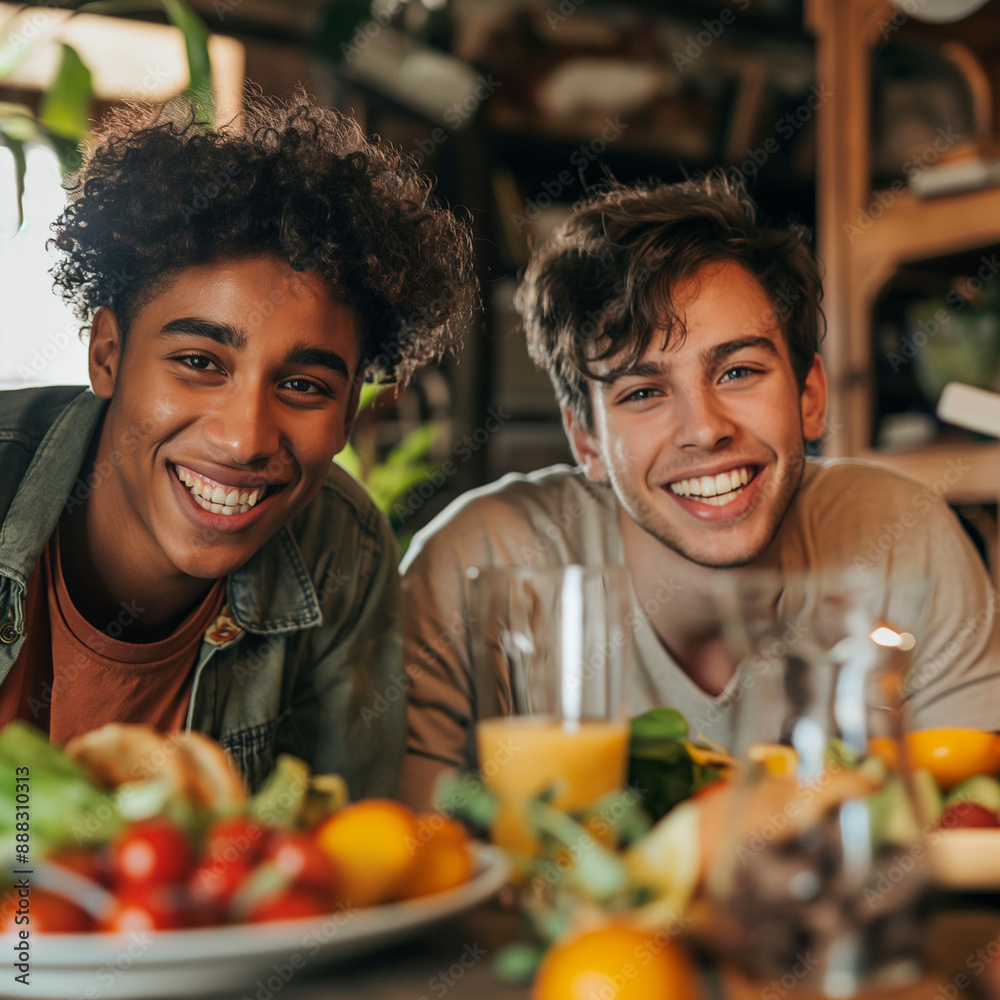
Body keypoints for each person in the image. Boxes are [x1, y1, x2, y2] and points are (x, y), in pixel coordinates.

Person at [398, 172, 1000, 809]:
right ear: (587, 443)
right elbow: (408, 858)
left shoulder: (901, 534)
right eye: (643, 393)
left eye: (738, 371)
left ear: (810, 397)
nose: (706, 429)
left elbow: (969, 831)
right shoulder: (480, 563)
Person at [0, 91, 477, 797]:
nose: (244, 438)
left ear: (349, 414)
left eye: (305, 386)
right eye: (199, 363)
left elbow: (336, 867)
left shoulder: (343, 552)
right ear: (107, 354)